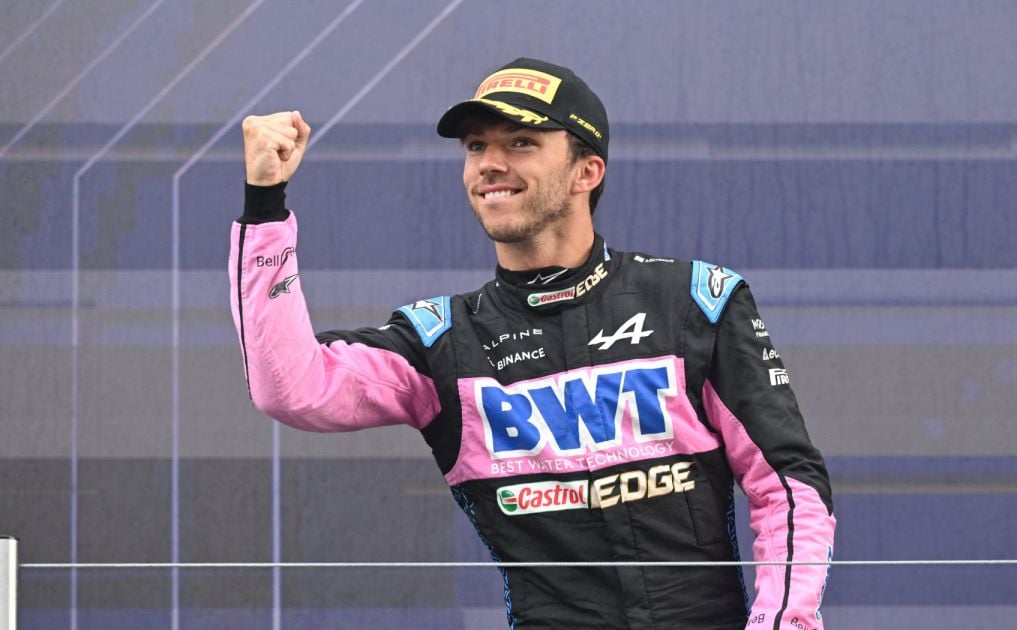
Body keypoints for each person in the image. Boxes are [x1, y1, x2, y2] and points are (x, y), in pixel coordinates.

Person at [231, 57, 835, 630]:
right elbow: (292, 389)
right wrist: (264, 208)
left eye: (520, 142)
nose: (489, 163)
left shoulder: (695, 300)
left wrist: (784, 621)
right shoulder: (442, 340)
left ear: (586, 171)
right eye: (476, 147)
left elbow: (786, 482)